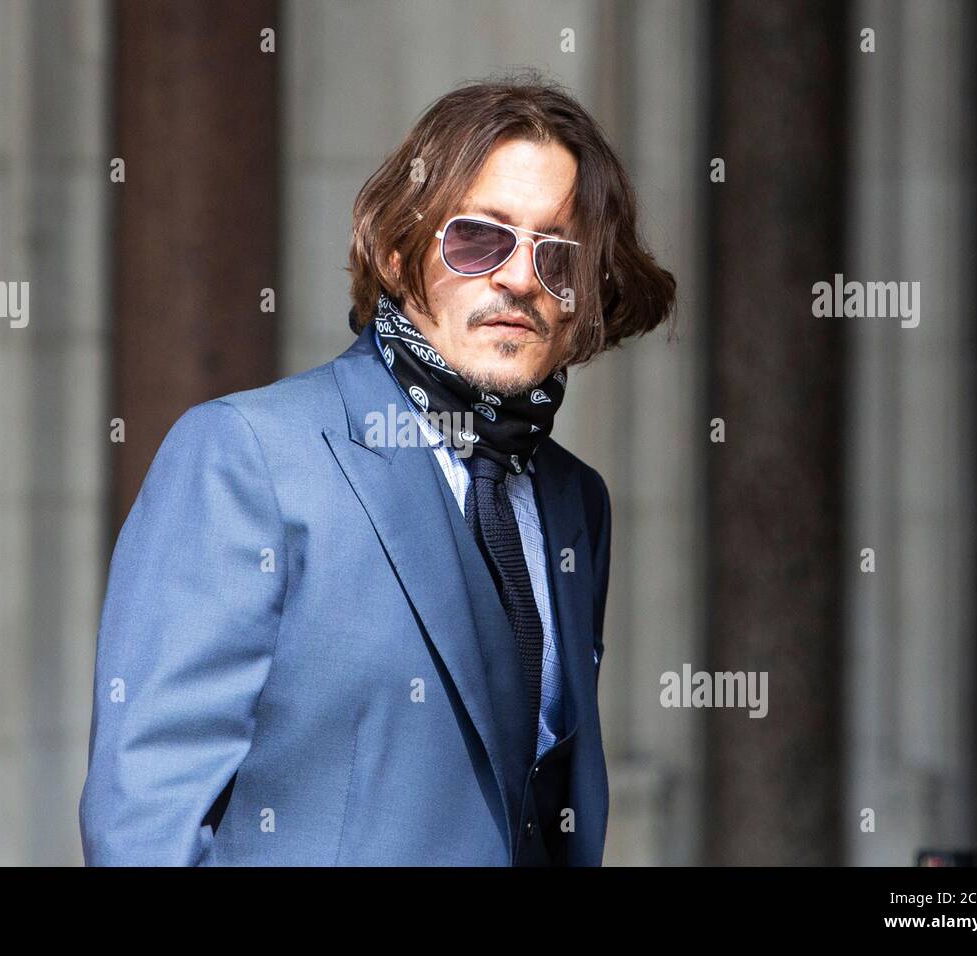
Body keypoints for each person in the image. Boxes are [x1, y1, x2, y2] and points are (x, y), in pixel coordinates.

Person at [79, 74, 676, 866]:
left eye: (558, 254)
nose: (521, 278)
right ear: (397, 254)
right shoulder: (247, 456)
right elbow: (143, 826)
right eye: (479, 238)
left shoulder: (575, 503)